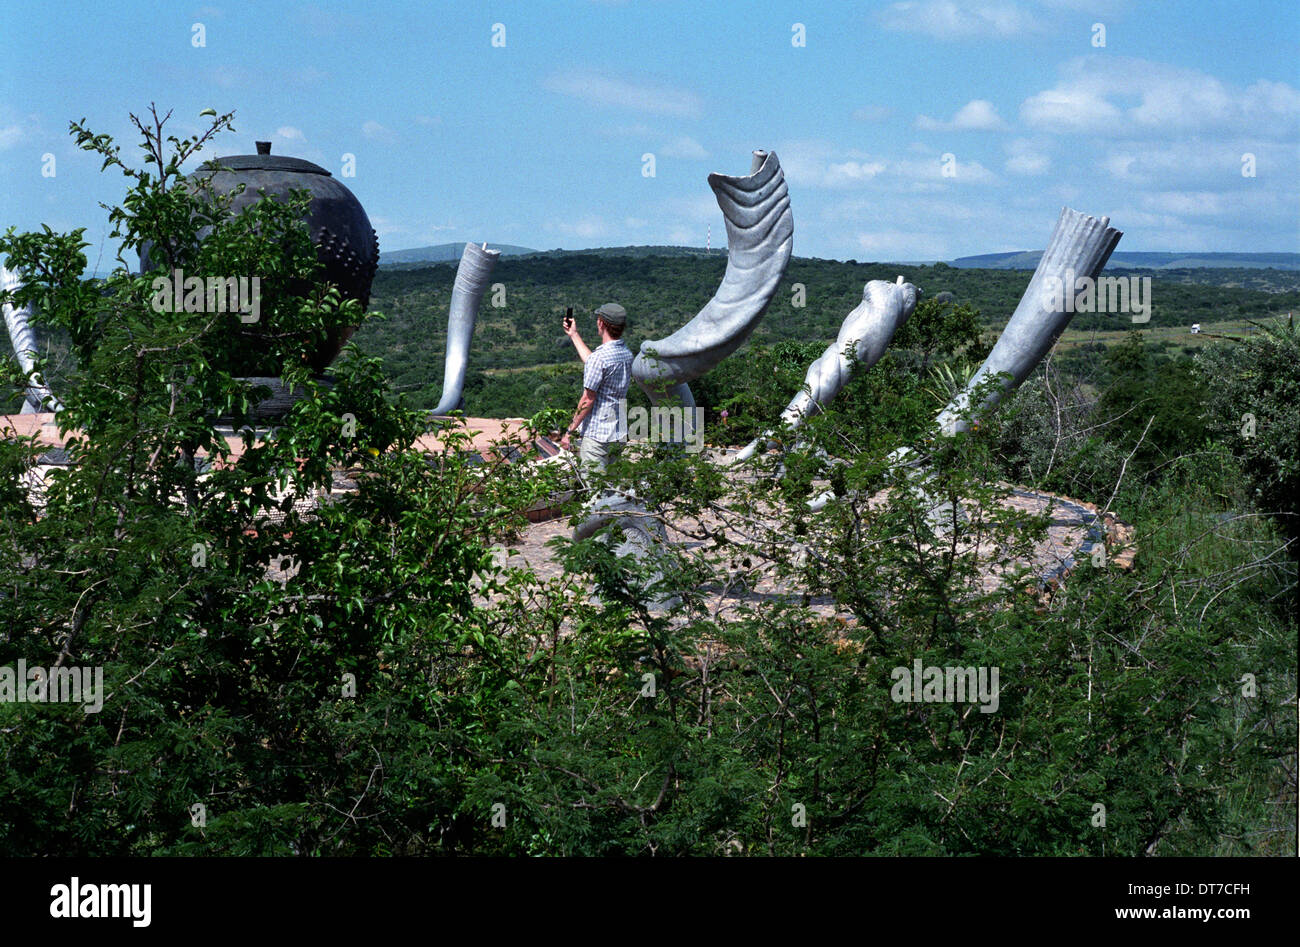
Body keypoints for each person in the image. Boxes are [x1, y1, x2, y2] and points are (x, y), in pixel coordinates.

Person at [559, 303, 633, 487]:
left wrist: (569, 431)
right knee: (613, 487)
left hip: (597, 435)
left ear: (601, 323)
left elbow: (588, 399)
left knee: (595, 491)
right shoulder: (626, 354)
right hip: (619, 432)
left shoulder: (600, 359)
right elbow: (594, 363)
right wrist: (574, 335)